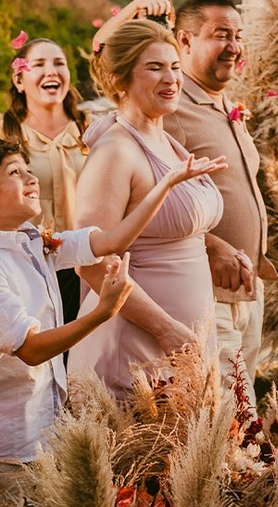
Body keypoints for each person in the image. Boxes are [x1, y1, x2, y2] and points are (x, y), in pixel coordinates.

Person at [0, 134, 222, 494]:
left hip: (47, 432)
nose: (31, 178)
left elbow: (111, 241)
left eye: (29, 168)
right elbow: (31, 349)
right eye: (15, 172)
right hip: (12, 448)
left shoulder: (30, 240)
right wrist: (104, 311)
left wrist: (165, 184)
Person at [67, 20, 227, 396]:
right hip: (135, 345)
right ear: (121, 79)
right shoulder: (115, 151)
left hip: (187, 339)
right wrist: (164, 328)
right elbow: (90, 262)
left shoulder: (167, 141)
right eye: (155, 68)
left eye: (174, 67)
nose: (171, 78)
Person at [166, 0, 277, 397]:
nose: (233, 47)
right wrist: (211, 244)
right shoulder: (173, 109)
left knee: (240, 419)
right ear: (184, 41)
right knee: (230, 412)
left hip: (249, 289)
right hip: (209, 292)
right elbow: (151, 198)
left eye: (238, 35)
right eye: (220, 35)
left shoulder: (226, 104)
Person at [2, 39, 89, 320]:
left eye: (59, 63)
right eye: (38, 65)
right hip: (26, 267)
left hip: (88, 262)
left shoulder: (91, 127)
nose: (51, 71)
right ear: (19, 80)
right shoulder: (5, 132)